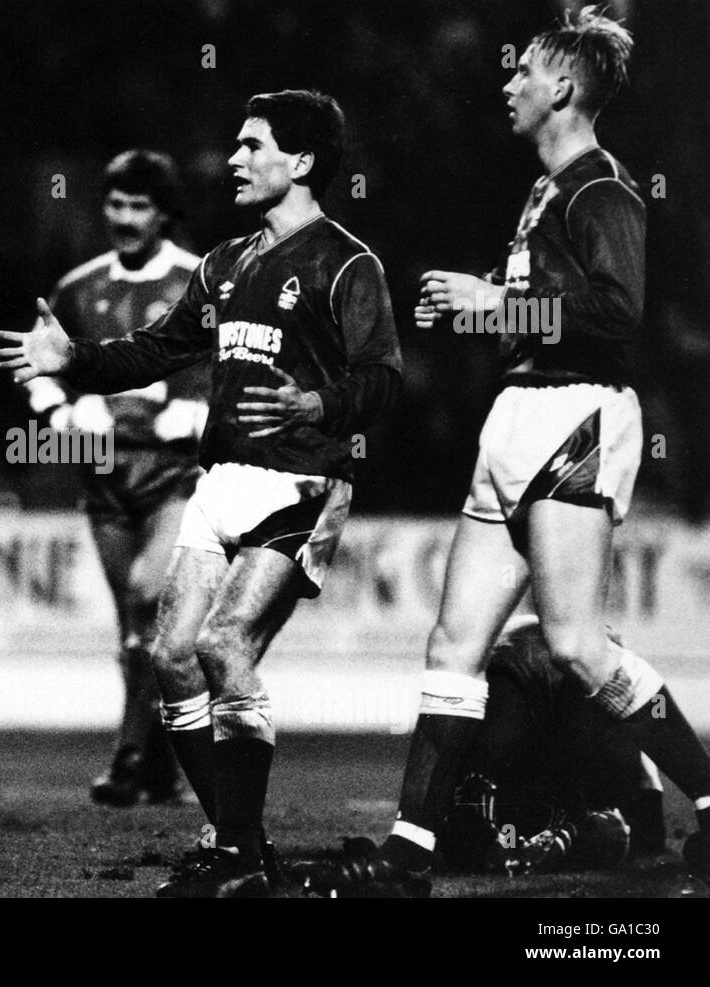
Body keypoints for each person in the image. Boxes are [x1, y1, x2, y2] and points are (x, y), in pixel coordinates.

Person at [310, 6, 710, 898]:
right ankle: (407, 855)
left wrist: (495, 304)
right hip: (519, 413)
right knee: (452, 642)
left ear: (562, 88)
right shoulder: (549, 188)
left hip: (572, 413)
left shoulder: (601, 187)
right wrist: (490, 313)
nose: (508, 81)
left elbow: (618, 312)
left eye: (523, 70)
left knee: (573, 644)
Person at [0, 89, 401, 897]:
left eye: (253, 146)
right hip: (221, 481)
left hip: (302, 480)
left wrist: (315, 404)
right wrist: (70, 359)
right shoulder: (226, 262)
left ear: (304, 162)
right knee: (169, 654)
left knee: (223, 647)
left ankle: (236, 854)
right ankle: (242, 851)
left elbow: (385, 379)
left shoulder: (348, 264)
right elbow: (155, 348)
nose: (235, 160)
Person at [25, 150, 207, 806]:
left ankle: (129, 757)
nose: (123, 218)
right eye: (115, 204)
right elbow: (39, 362)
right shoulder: (78, 286)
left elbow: (223, 370)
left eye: (138, 206)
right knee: (133, 629)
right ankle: (164, 764)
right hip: (102, 478)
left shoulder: (197, 281)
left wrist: (182, 413)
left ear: (164, 213)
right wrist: (59, 407)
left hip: (174, 475)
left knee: (145, 596)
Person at [439, 615, 664, 875]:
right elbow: (474, 787)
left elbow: (632, 765)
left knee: (608, 829)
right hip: (522, 679)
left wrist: (561, 837)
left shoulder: (591, 720)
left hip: (538, 679)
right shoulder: (510, 715)